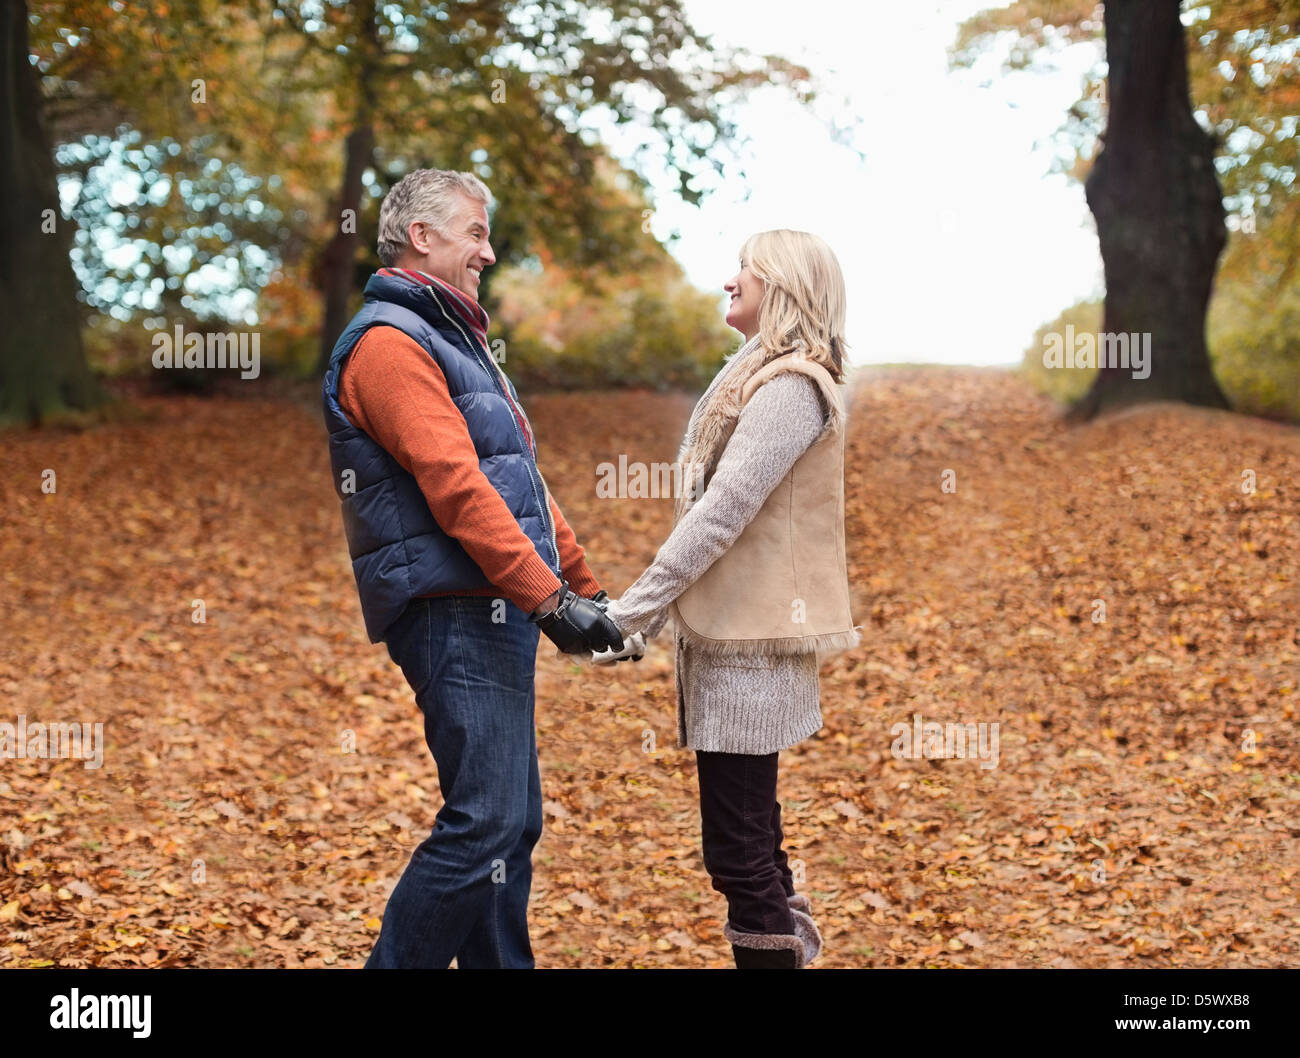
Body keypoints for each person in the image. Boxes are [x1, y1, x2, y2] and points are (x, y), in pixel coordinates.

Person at [320, 168, 626, 968]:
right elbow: (457, 487)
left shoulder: (454, 340)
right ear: (422, 237)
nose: (488, 252)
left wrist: (584, 588)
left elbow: (516, 478)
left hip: (491, 602)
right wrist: (551, 603)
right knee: (486, 820)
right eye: (476, 233)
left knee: (511, 823)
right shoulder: (391, 344)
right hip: (452, 606)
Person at [601, 229, 860, 969]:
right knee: (754, 847)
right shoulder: (757, 375)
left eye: (744, 266)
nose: (729, 280)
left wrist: (633, 612)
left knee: (741, 857)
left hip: (751, 657)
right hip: (733, 648)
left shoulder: (787, 387)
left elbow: (721, 511)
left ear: (781, 282)